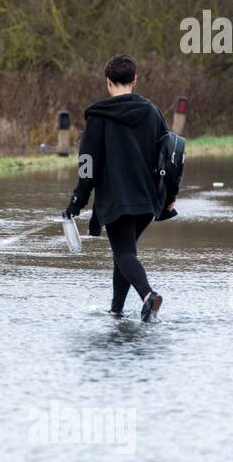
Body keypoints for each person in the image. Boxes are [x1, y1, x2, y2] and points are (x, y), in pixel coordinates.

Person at [63, 55, 175, 321]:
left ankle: (148, 296)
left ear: (108, 81)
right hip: (148, 200)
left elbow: (87, 164)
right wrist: (169, 196)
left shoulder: (99, 117)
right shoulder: (153, 113)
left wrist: (78, 199)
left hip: (117, 199)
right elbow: (169, 156)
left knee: (124, 253)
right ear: (135, 80)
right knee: (124, 253)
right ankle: (116, 309)